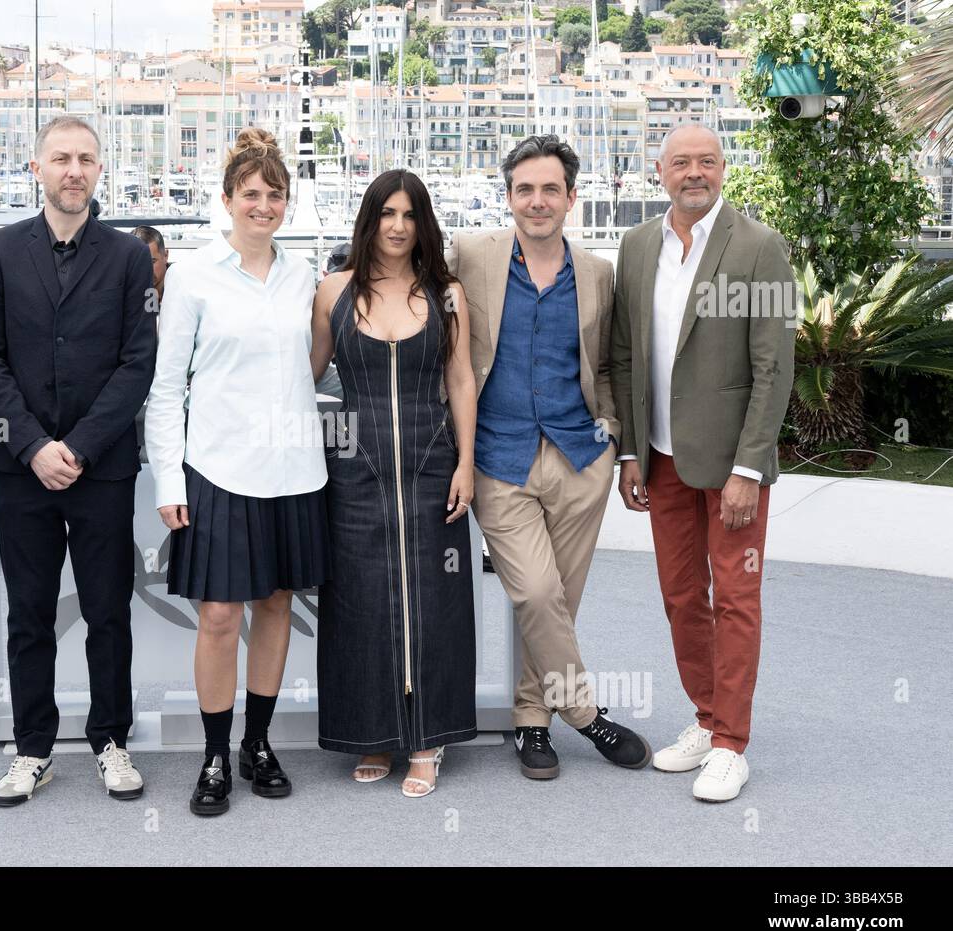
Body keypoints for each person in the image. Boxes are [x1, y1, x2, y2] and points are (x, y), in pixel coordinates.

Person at [447, 135, 653, 780]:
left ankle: (531, 722)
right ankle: (586, 713)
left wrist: (618, 446)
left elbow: (612, 364)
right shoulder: (471, 256)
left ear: (570, 197)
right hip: (497, 457)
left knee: (561, 598)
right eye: (524, 190)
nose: (537, 202)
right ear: (508, 196)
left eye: (550, 190)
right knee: (535, 591)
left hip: (579, 454)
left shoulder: (596, 274)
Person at [0, 116, 157, 806]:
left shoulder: (129, 256)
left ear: (99, 170)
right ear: (37, 168)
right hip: (24, 469)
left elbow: (138, 363)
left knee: (109, 610)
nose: (72, 170)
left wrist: (76, 446)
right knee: (30, 614)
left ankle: (112, 741)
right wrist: (33, 444)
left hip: (99, 468)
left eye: (84, 159)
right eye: (60, 159)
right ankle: (33, 749)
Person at [610, 123, 795, 802]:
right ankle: (705, 717)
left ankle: (731, 745)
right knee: (683, 597)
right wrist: (629, 449)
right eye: (681, 162)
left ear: (724, 169)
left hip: (730, 465)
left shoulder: (758, 247)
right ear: (659, 172)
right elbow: (626, 357)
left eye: (707, 162)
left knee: (736, 601)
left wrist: (749, 467)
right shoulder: (636, 248)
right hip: (659, 460)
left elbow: (775, 368)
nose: (695, 173)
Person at [146, 128, 328, 816]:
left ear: (287, 203)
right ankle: (215, 755)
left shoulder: (302, 274)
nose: (263, 205)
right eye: (250, 194)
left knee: (276, 604)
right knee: (219, 617)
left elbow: (309, 365)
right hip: (217, 470)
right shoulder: (192, 276)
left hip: (293, 470)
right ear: (227, 201)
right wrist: (169, 481)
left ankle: (258, 744)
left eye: (274, 195)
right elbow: (166, 389)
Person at [310, 169, 478, 797]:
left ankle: (428, 738)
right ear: (370, 218)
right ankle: (373, 731)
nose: (398, 226)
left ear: (423, 222)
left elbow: (460, 379)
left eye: (409, 215)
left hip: (433, 459)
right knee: (359, 596)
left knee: (433, 596)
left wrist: (466, 462)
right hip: (352, 465)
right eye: (387, 214)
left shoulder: (448, 292)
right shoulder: (333, 289)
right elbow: (308, 370)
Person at [130, 225, 169, 304]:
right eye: (138, 263)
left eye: (152, 262)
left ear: (165, 256)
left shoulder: (182, 287)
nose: (145, 270)